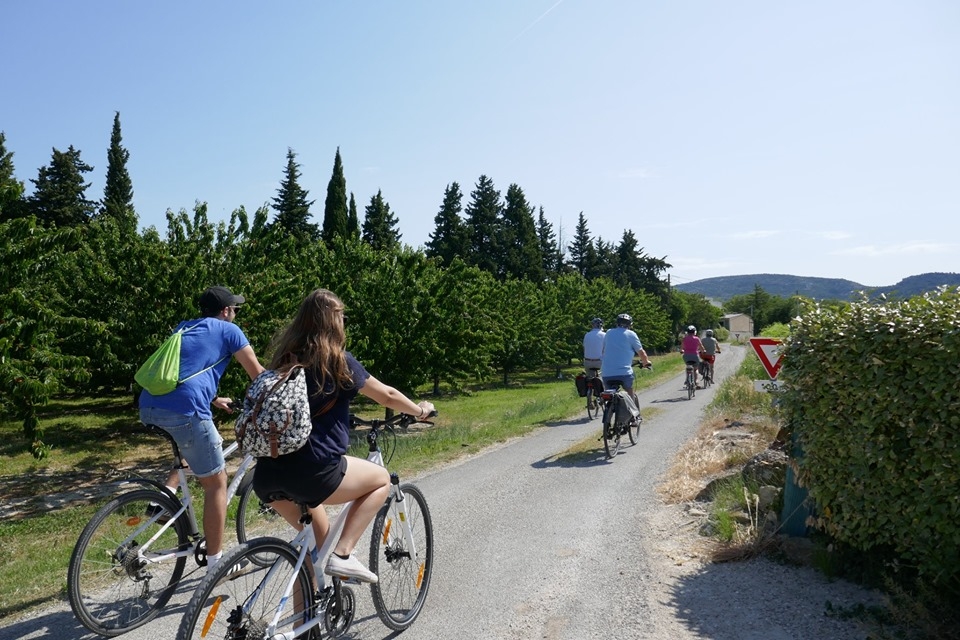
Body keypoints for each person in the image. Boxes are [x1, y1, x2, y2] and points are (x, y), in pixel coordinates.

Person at [252, 288, 435, 584]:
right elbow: (386, 395)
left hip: (268, 475)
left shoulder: (283, 361)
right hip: (314, 474)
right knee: (381, 479)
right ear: (334, 322)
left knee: (315, 558)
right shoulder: (337, 361)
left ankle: (306, 627)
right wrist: (419, 410)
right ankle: (345, 553)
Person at [139, 285, 264, 572]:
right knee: (216, 484)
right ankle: (216, 565)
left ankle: (166, 497)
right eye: (235, 309)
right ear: (226, 311)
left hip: (149, 405)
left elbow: (178, 371)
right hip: (186, 411)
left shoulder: (184, 327)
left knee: (197, 445)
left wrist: (213, 398)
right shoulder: (229, 331)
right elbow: (257, 373)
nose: (235, 313)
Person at [600, 313, 651, 408]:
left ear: (617, 323)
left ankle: (609, 408)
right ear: (630, 325)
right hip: (624, 373)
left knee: (608, 393)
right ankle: (633, 415)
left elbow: (603, 350)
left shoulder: (609, 332)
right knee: (629, 391)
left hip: (607, 373)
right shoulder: (631, 334)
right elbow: (641, 352)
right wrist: (646, 362)